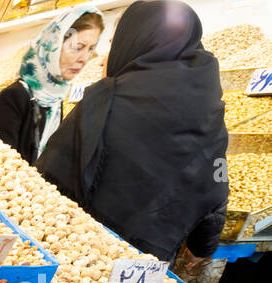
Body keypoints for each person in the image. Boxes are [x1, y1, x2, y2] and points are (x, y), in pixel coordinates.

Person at [38, 0, 228, 265]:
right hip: (150, 265)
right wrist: (202, 247)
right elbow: (217, 183)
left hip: (81, 256)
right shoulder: (209, 111)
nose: (105, 56)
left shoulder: (106, 97)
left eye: (115, 42)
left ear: (136, 43)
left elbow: (49, 177)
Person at [0, 6, 103, 165]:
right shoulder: (14, 98)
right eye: (77, 47)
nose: (84, 58)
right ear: (53, 45)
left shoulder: (54, 98)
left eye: (91, 49)